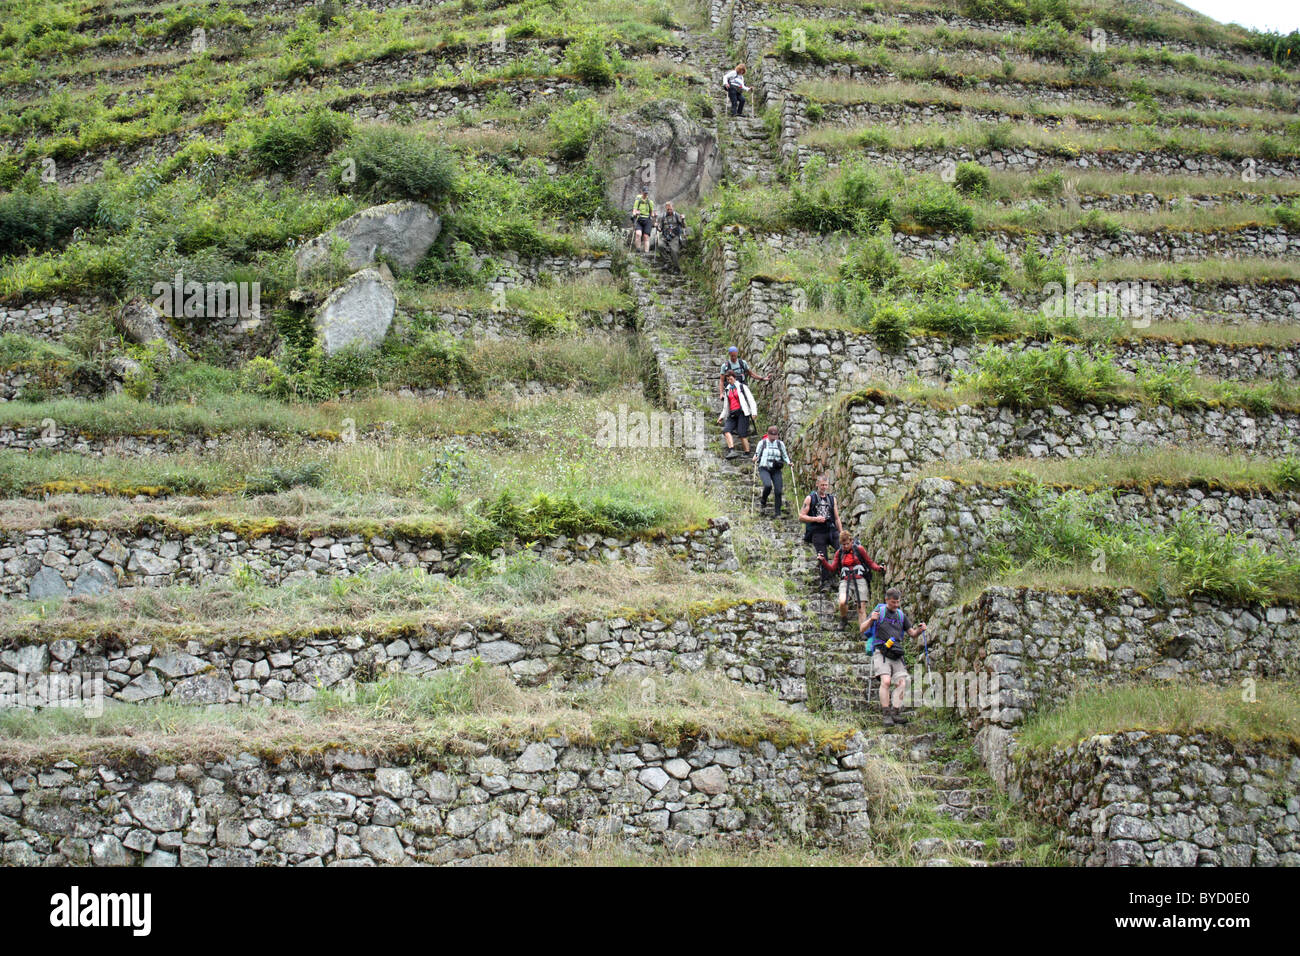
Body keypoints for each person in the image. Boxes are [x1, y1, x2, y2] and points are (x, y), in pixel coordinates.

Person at [861, 587, 927, 727]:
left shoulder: (901, 616)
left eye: (898, 602)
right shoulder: (879, 611)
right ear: (886, 600)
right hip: (881, 652)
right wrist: (871, 620)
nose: (896, 605)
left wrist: (920, 630)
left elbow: (912, 633)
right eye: (893, 602)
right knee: (885, 681)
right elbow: (862, 628)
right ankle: (886, 714)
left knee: (902, 683)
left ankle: (895, 712)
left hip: (896, 653)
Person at [819, 531, 885, 627]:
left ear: (852, 541)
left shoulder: (859, 549)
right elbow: (832, 568)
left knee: (861, 607)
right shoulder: (839, 553)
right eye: (843, 544)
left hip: (860, 579)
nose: (845, 546)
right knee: (842, 601)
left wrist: (879, 568)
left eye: (847, 544)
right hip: (845, 580)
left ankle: (863, 631)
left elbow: (870, 562)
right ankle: (843, 618)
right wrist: (823, 561)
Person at [800, 475, 842, 590]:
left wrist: (841, 533)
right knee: (823, 556)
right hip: (817, 532)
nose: (824, 487)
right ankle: (825, 582)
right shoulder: (810, 498)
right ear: (817, 484)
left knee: (842, 551)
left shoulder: (832, 499)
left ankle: (835, 575)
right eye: (822, 485)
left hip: (831, 529)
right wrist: (815, 519)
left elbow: (837, 518)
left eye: (826, 485)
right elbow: (801, 516)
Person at [752, 425, 792, 518]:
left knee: (778, 490)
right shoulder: (762, 443)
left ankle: (777, 513)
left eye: (775, 435)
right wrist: (755, 458)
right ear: (768, 434)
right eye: (772, 435)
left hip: (776, 469)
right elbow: (757, 453)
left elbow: (785, 455)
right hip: (764, 467)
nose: (774, 437)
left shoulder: (780, 444)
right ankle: (763, 501)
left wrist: (789, 463)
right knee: (768, 485)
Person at [717, 370, 756, 459]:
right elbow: (726, 406)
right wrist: (721, 417)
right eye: (728, 379)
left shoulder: (742, 387)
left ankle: (747, 452)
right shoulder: (727, 390)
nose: (729, 381)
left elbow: (751, 400)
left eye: (730, 379)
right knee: (726, 430)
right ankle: (731, 450)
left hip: (743, 412)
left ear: (734, 378)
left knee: (742, 433)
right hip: (732, 414)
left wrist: (754, 412)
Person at [658, 202, 687, 273]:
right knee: (660, 245)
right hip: (665, 237)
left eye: (670, 209)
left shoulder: (677, 215)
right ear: (666, 209)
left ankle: (676, 268)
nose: (669, 211)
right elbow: (660, 229)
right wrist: (656, 226)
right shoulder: (663, 217)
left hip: (675, 237)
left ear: (673, 208)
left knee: (674, 250)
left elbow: (684, 226)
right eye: (668, 209)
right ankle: (668, 262)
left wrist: (683, 219)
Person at [630, 188, 655, 254]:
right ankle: (638, 250)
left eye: (646, 193)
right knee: (638, 234)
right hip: (639, 219)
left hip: (647, 220)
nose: (645, 194)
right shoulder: (638, 201)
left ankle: (646, 253)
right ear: (642, 192)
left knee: (646, 236)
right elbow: (634, 210)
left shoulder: (650, 202)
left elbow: (652, 213)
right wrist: (635, 213)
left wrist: (653, 215)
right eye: (644, 193)